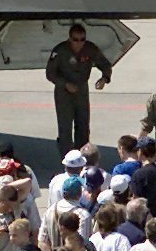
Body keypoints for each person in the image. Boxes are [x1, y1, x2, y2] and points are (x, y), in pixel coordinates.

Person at [45, 23, 112, 153]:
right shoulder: (60, 51)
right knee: (65, 128)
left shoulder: (90, 49)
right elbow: (50, 73)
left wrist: (104, 79)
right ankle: (67, 158)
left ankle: (83, 157)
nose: (79, 43)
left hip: (81, 91)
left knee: (83, 127)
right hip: (63, 93)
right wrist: (64, 84)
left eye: (82, 39)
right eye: (75, 39)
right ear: (70, 39)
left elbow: (105, 65)